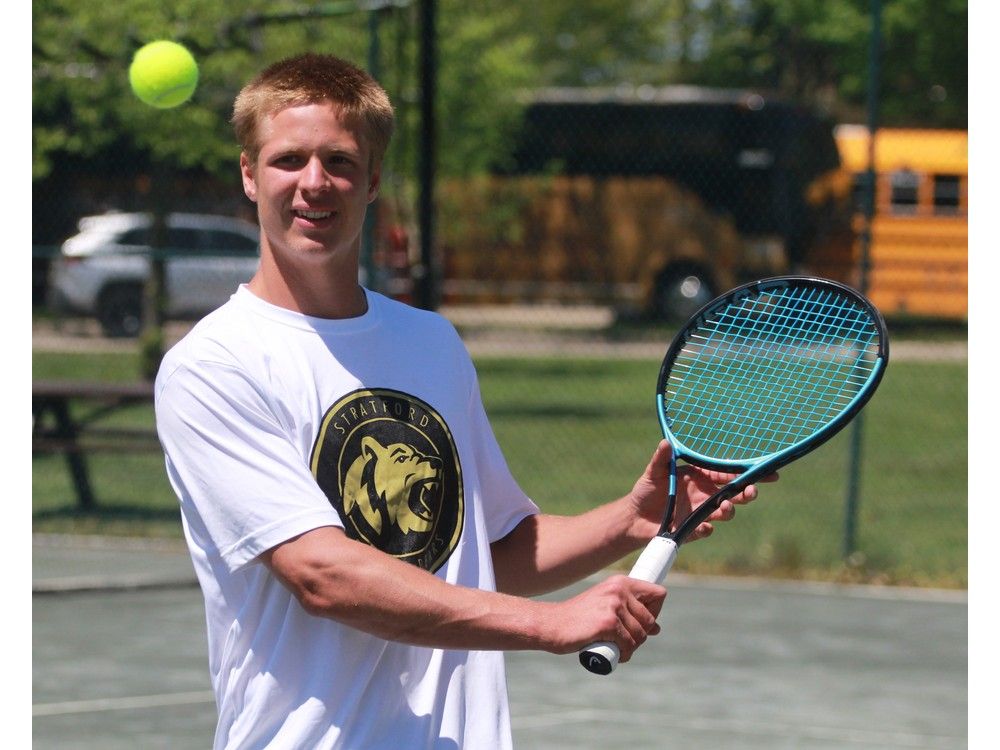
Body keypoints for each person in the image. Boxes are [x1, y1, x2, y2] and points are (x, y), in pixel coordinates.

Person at [154, 53, 765, 750]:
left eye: (340, 161)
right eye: (289, 159)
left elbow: (481, 556)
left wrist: (633, 519)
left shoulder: (431, 343)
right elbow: (324, 576)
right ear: (249, 173)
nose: (314, 182)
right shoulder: (213, 365)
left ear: (373, 180)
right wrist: (551, 624)